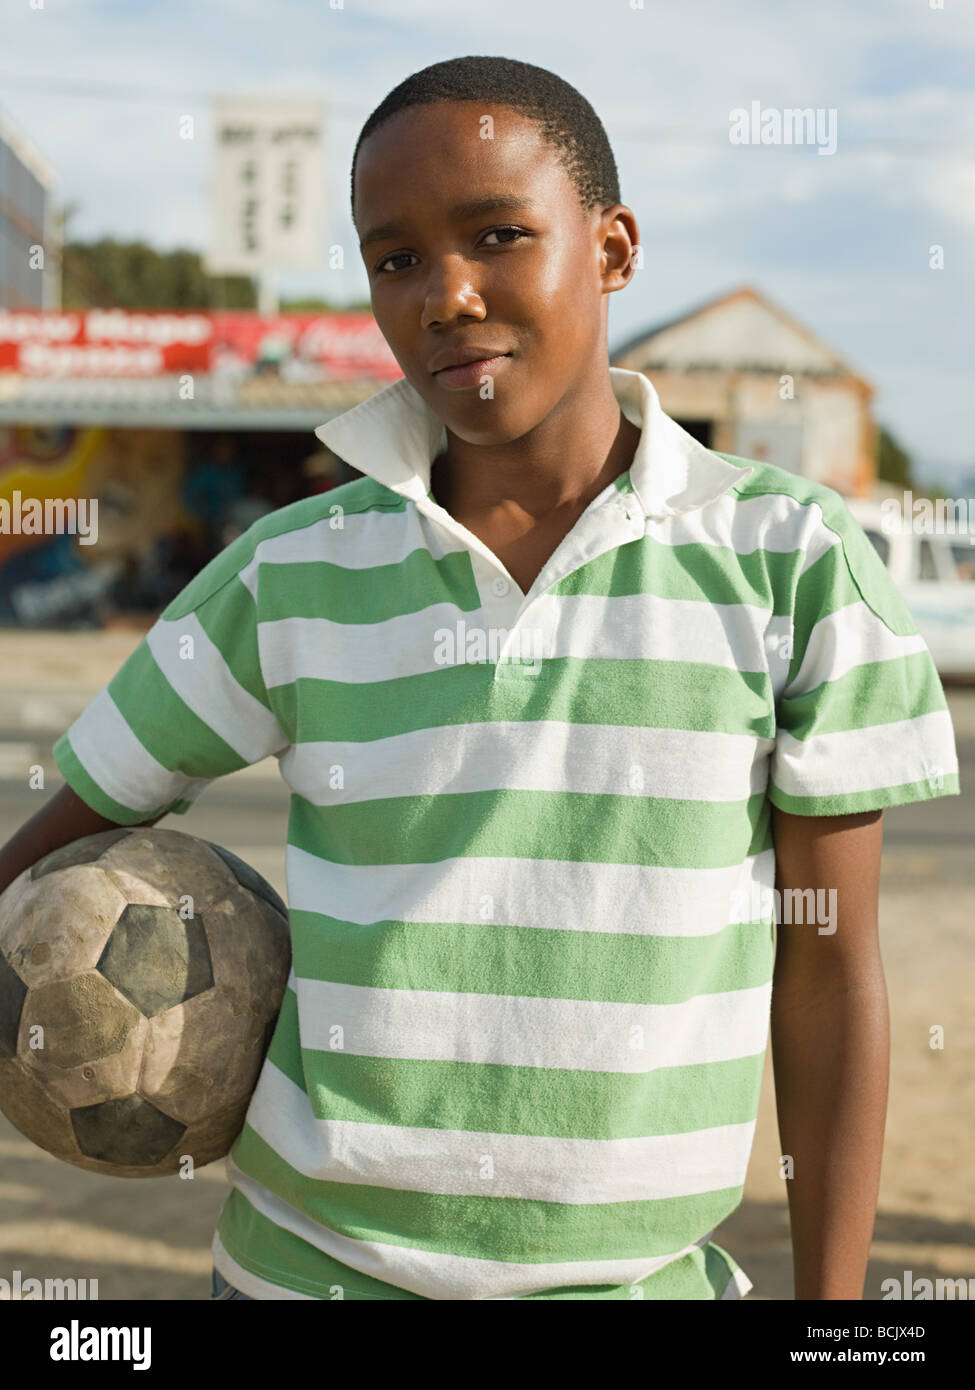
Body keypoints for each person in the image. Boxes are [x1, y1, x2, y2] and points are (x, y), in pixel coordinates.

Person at [0, 56, 959, 1302]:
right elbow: (80, 817)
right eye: (394, 258)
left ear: (612, 250)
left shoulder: (794, 565)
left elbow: (830, 971)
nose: (447, 294)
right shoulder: (290, 571)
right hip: (304, 1276)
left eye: (498, 235)